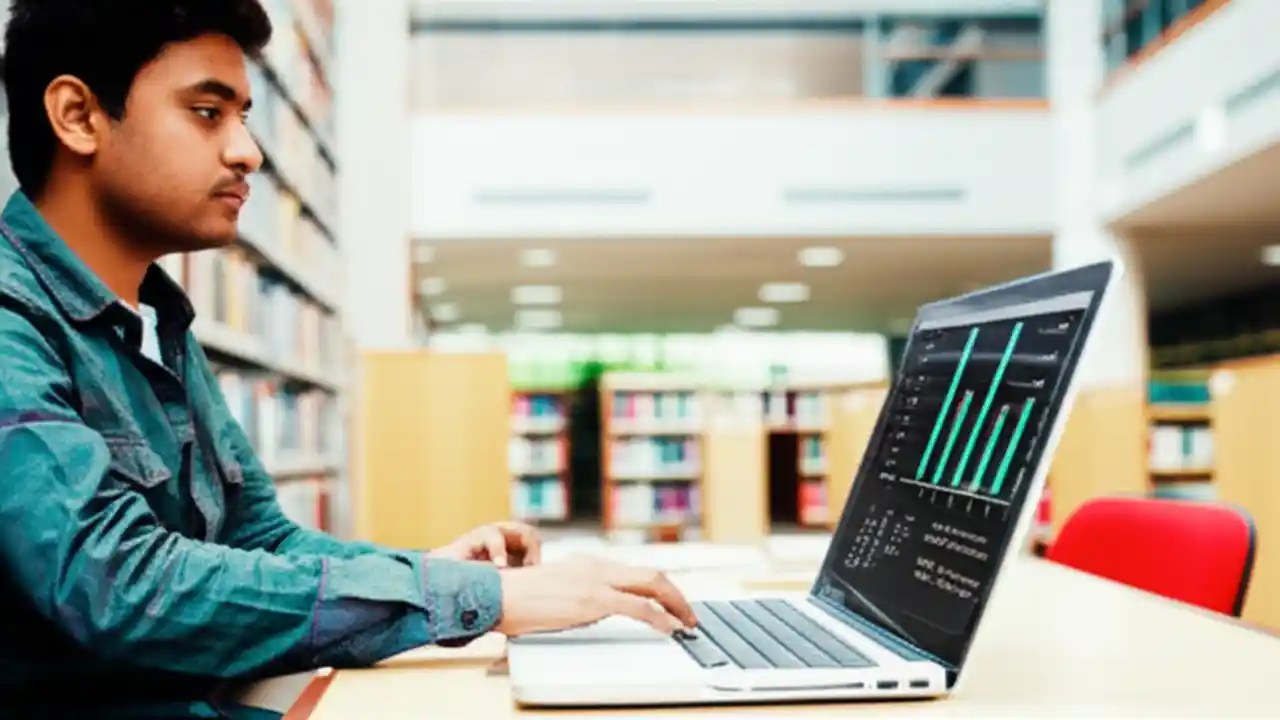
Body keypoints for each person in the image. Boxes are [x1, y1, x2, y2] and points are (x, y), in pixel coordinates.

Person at [0, 1, 696, 717]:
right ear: (78, 116)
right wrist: (480, 599)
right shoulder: (10, 321)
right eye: (208, 112)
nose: (248, 153)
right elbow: (116, 585)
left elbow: (259, 539)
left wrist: (427, 572)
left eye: (243, 117)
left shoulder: (158, 322)